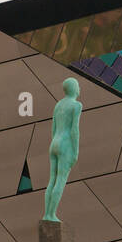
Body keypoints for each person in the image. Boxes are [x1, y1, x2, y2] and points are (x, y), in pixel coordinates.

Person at [43, 78, 82, 222]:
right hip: (65, 143)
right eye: (78, 85)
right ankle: (51, 215)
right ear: (74, 88)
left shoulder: (58, 105)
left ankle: (47, 214)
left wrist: (55, 143)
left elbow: (53, 129)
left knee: (51, 179)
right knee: (60, 180)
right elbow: (74, 130)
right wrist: (75, 151)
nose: (79, 88)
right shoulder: (76, 105)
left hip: (54, 143)